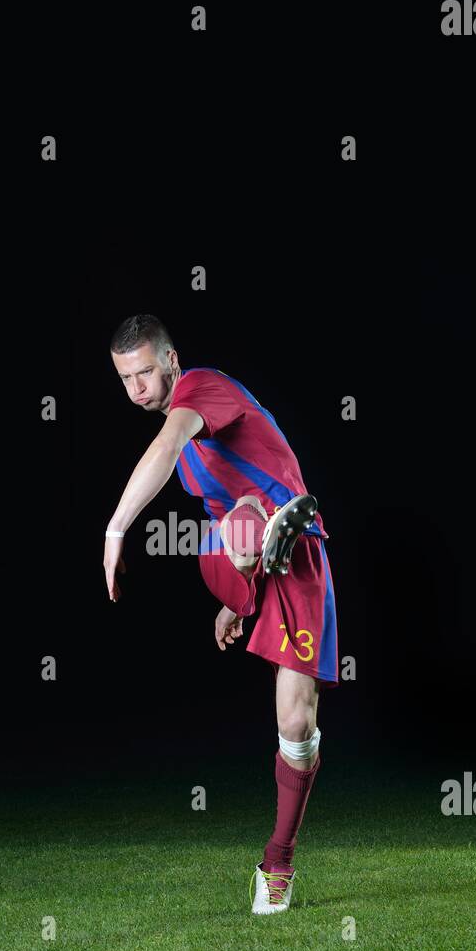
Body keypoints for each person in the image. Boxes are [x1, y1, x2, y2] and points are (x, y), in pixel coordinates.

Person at [104, 314, 339, 914]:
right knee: (232, 516)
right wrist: (231, 596)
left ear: (173, 361)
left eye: (146, 372)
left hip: (300, 556)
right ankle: (254, 546)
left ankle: (278, 860)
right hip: (237, 555)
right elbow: (200, 494)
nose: (137, 389)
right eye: (126, 378)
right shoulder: (190, 458)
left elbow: (167, 442)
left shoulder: (201, 389)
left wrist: (115, 528)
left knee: (295, 725)